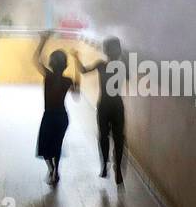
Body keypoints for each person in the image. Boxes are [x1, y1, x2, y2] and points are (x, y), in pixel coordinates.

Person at [73, 37, 126, 184]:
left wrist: (76, 58)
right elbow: (127, 77)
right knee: (117, 137)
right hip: (116, 104)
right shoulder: (120, 66)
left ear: (105, 51)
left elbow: (83, 71)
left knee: (104, 136)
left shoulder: (102, 65)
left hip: (105, 104)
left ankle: (105, 166)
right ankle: (116, 169)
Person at [32, 30, 78, 185]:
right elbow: (77, 95)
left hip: (49, 116)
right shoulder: (67, 80)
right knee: (57, 145)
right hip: (62, 117)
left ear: (51, 63)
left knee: (45, 146)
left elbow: (35, 60)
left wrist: (43, 40)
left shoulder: (48, 76)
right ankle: (56, 171)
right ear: (65, 65)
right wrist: (77, 74)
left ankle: (51, 169)